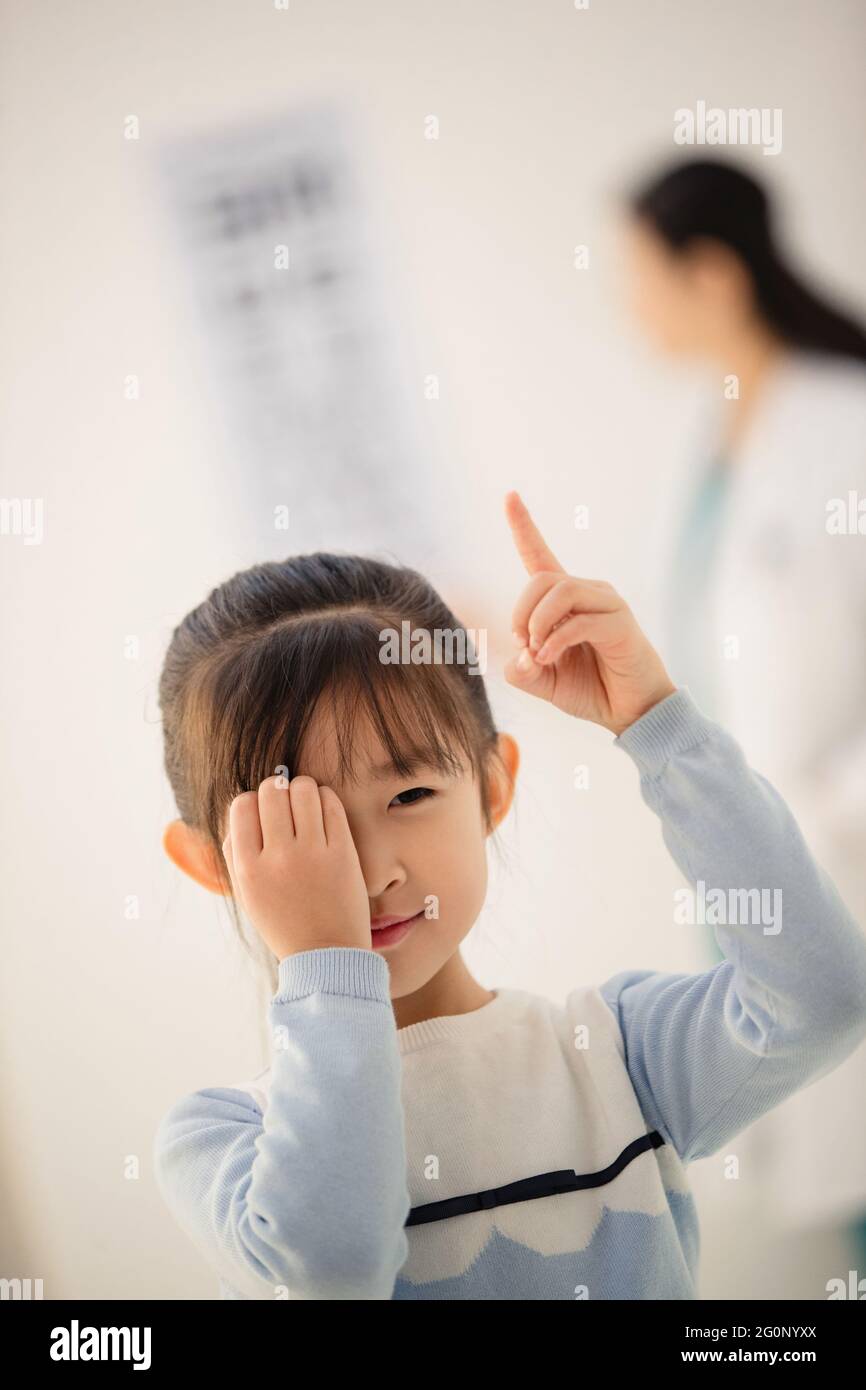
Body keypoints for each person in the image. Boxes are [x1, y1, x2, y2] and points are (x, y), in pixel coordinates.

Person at [150, 492, 866, 1299]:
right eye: (300, 826)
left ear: (494, 787)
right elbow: (334, 1266)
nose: (372, 872)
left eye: (410, 794)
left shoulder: (614, 1056)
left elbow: (819, 999)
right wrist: (326, 963)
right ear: (213, 863)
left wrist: (657, 723)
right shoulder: (223, 1140)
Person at [621, 157, 866, 1254]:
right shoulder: (698, 434)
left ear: (710, 276)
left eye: (638, 275)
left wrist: (834, 799)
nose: (623, 305)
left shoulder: (842, 425)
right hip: (744, 854)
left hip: (836, 843)